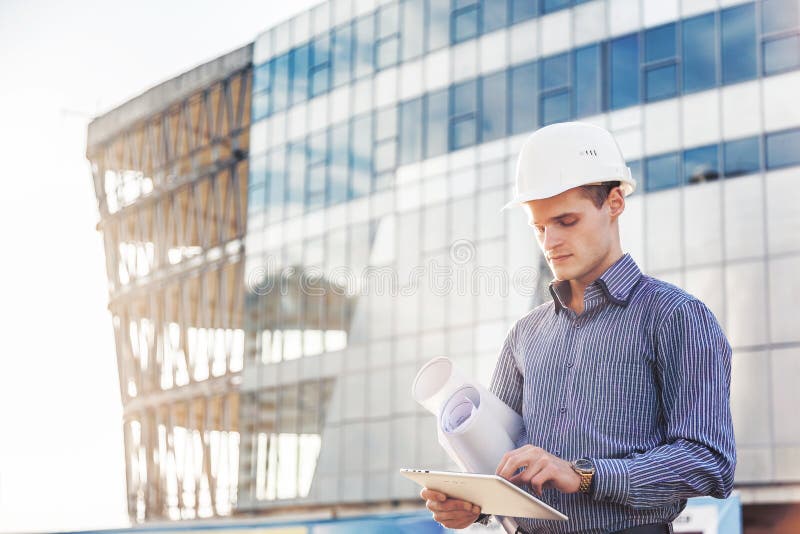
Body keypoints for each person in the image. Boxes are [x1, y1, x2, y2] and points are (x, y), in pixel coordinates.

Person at [420, 122, 736, 534]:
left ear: (615, 202)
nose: (549, 242)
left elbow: (708, 461)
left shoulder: (675, 316)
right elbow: (500, 461)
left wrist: (584, 474)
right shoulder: (525, 335)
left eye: (566, 221)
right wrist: (473, 504)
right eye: (539, 228)